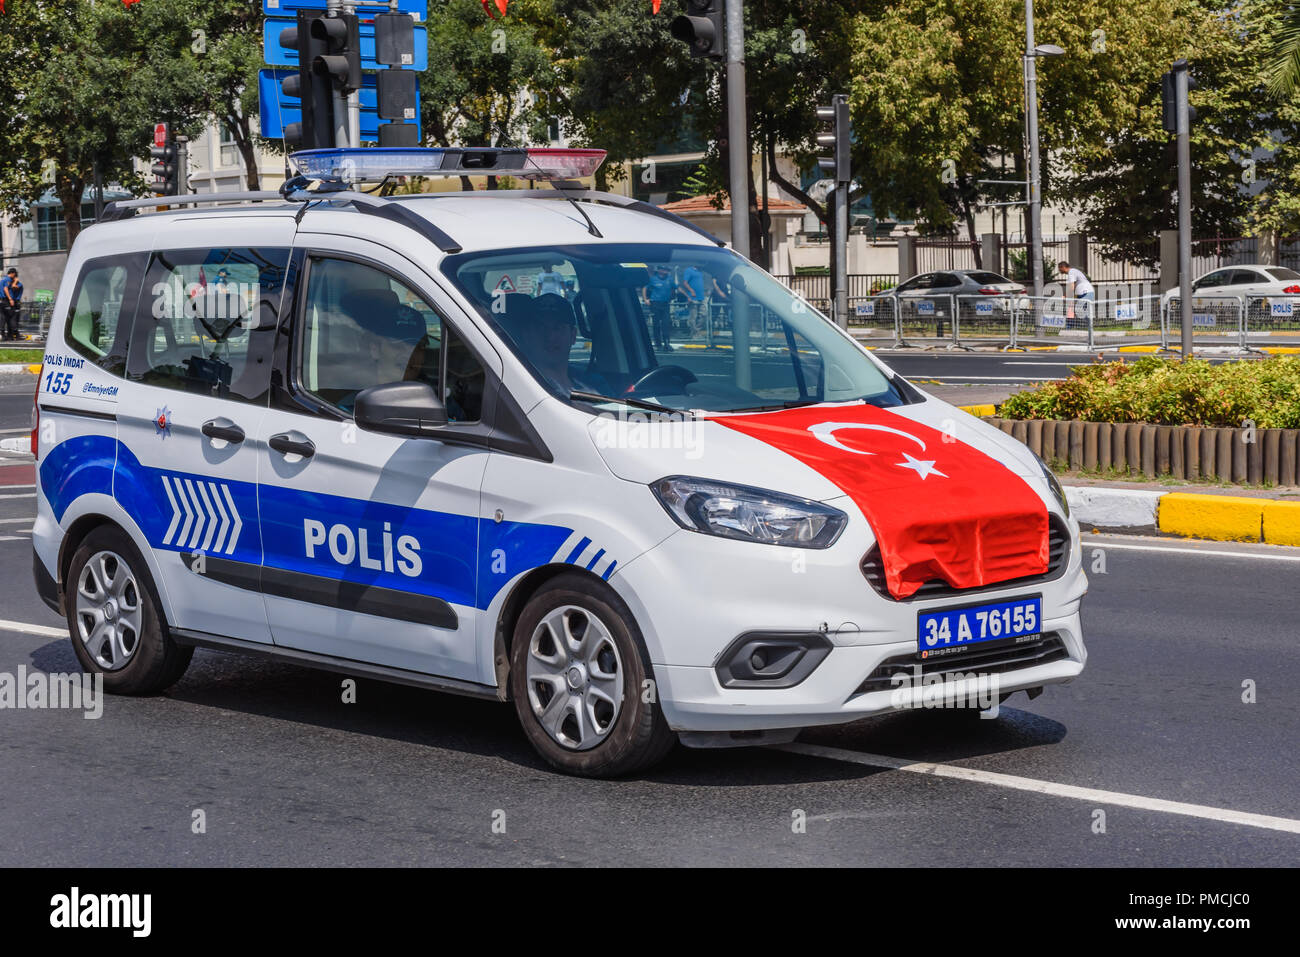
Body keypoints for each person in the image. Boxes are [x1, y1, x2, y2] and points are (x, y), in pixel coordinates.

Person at [642, 264, 675, 351]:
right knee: (656, 324)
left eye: (667, 270)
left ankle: (667, 343)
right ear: (659, 270)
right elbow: (645, 288)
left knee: (666, 324)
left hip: (665, 303)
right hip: (655, 303)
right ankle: (658, 344)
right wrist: (645, 299)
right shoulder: (652, 279)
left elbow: (675, 288)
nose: (666, 271)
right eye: (664, 270)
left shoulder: (669, 279)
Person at [679, 263, 708, 337]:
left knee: (704, 314)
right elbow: (685, 283)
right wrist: (691, 291)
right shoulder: (689, 270)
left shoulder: (701, 271)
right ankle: (694, 334)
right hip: (693, 297)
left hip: (702, 296)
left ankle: (696, 331)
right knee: (693, 316)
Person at [1, 268, 22, 341]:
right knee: (12, 318)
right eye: (15, 274)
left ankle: (8, 335)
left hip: (3, 301)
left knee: (5, 318)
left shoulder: (3, 279)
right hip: (8, 301)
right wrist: (10, 298)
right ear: (12, 273)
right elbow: (6, 289)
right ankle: (15, 334)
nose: (15, 276)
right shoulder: (7, 280)